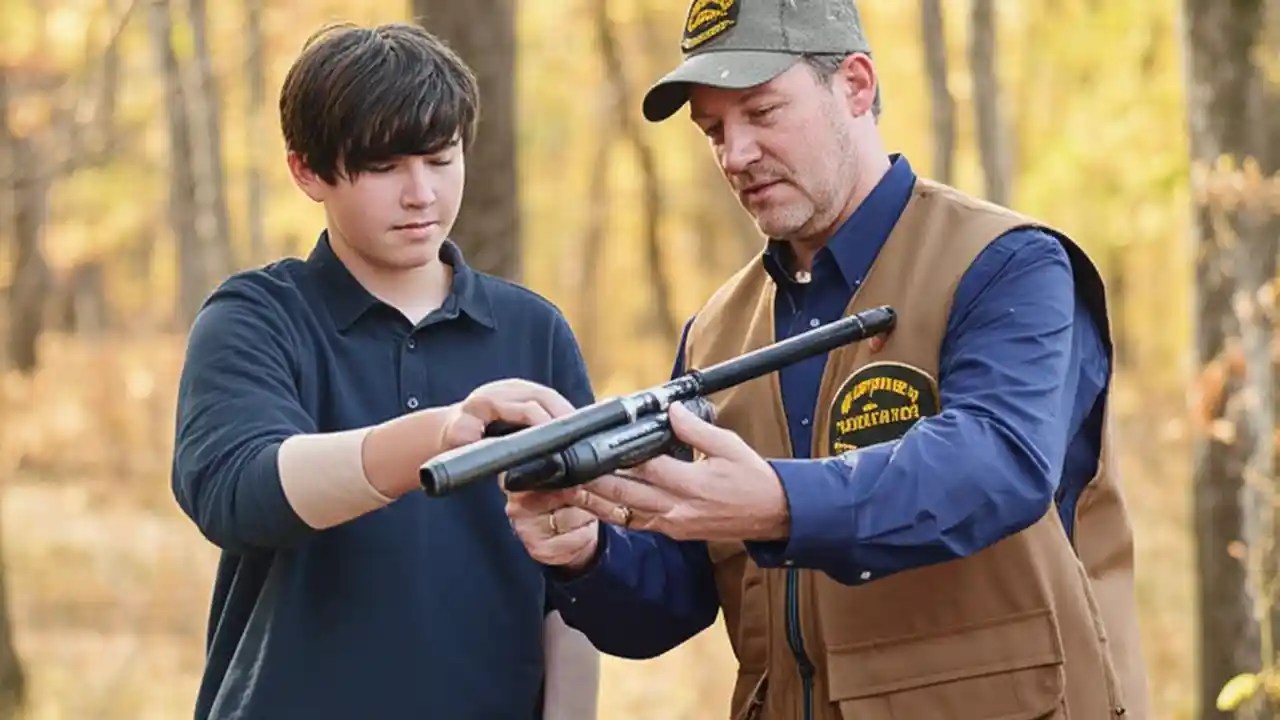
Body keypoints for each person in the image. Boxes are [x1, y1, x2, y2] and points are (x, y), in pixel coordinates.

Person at [505, 1, 1151, 718]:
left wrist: (782, 503)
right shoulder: (717, 332)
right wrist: (586, 554)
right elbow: (676, 599)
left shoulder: (1007, 264)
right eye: (714, 130)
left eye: (763, 112)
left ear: (856, 85)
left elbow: (997, 462)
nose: (734, 154)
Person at [171, 22, 599, 720]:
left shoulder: (533, 331)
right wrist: (437, 437)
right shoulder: (256, 318)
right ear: (306, 169)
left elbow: (575, 571)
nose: (420, 194)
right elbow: (237, 492)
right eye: (383, 167)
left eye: (439, 159)